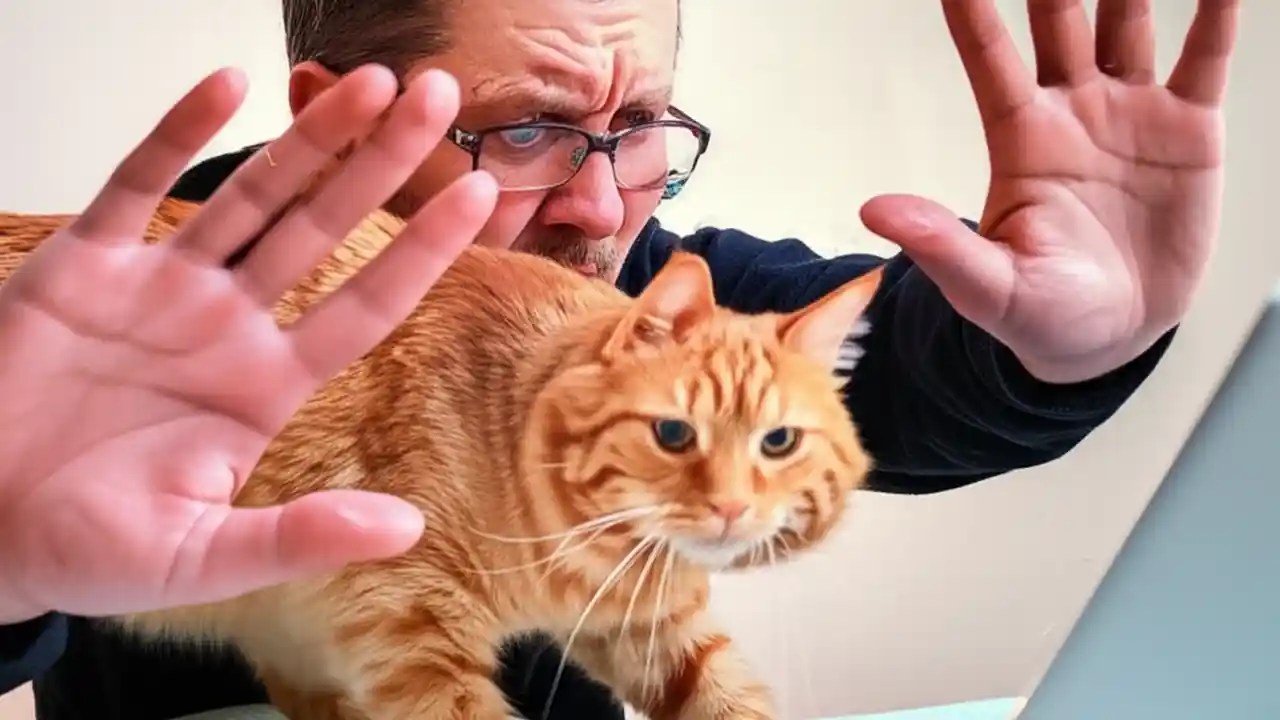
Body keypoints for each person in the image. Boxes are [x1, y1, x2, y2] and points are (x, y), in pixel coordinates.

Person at [0, 0, 1239, 718]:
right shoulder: (99, 335)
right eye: (527, 129)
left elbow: (904, 377)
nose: (600, 210)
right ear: (338, 124)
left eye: (636, 125)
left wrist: (1068, 347)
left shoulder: (656, 300)